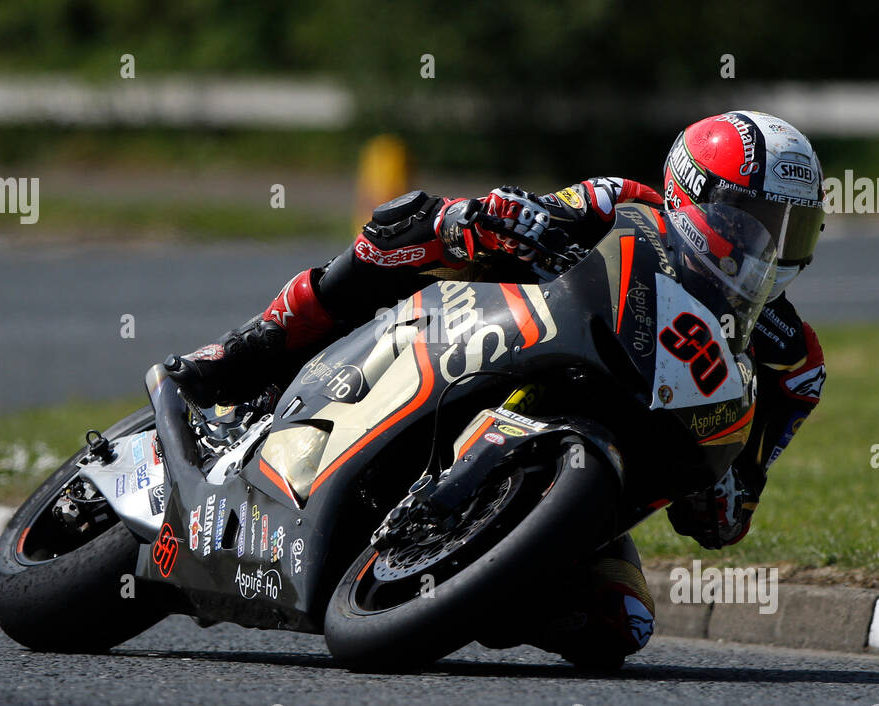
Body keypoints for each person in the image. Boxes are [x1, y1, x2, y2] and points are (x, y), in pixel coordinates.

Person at [169, 110, 827, 666]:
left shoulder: (792, 362)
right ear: (691, 193)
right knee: (415, 227)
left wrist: (722, 489)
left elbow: (738, 504)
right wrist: (500, 216)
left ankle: (469, 579)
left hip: (598, 475)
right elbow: (533, 214)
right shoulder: (623, 203)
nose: (765, 245)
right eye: (751, 218)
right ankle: (246, 354)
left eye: (789, 229)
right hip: (502, 341)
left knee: (618, 626)